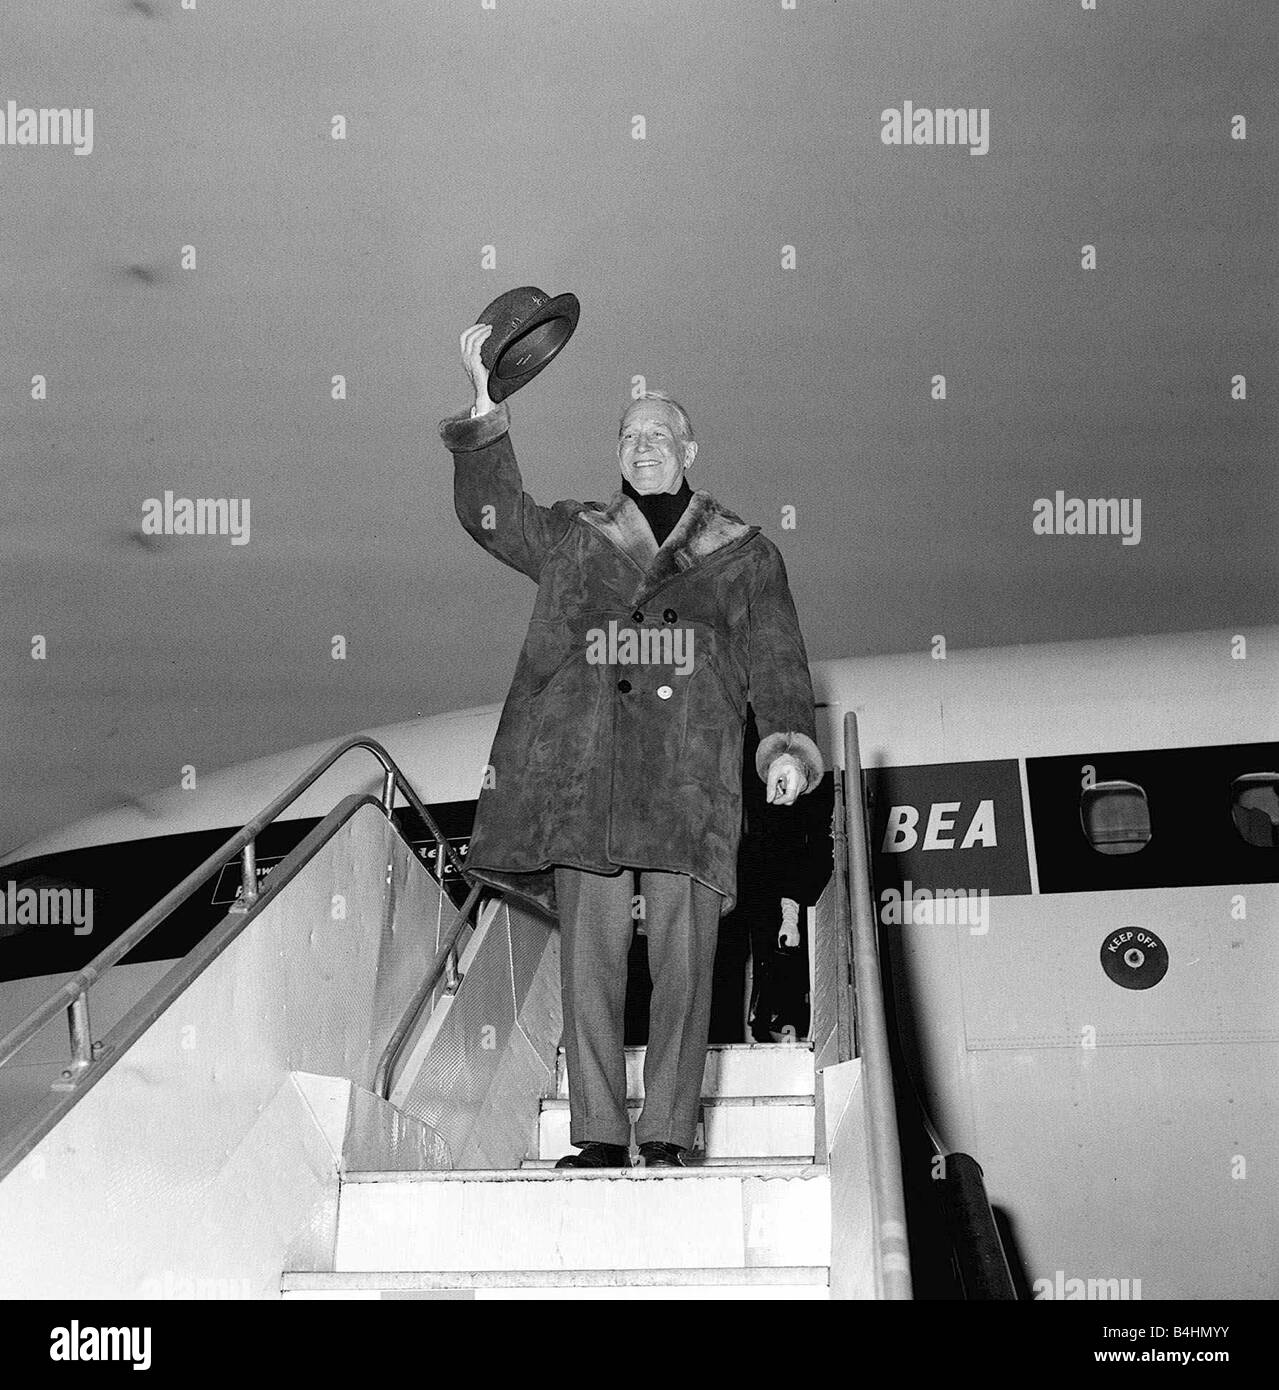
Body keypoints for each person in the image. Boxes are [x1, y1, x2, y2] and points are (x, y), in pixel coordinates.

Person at [437, 322, 823, 1167]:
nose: (642, 446)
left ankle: (671, 1132)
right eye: (628, 435)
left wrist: (786, 746)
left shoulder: (746, 553)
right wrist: (484, 408)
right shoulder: (579, 533)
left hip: (688, 783)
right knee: (590, 968)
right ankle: (602, 1135)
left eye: (657, 433)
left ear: (689, 446)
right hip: (587, 781)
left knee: (688, 967)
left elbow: (778, 661)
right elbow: (493, 518)